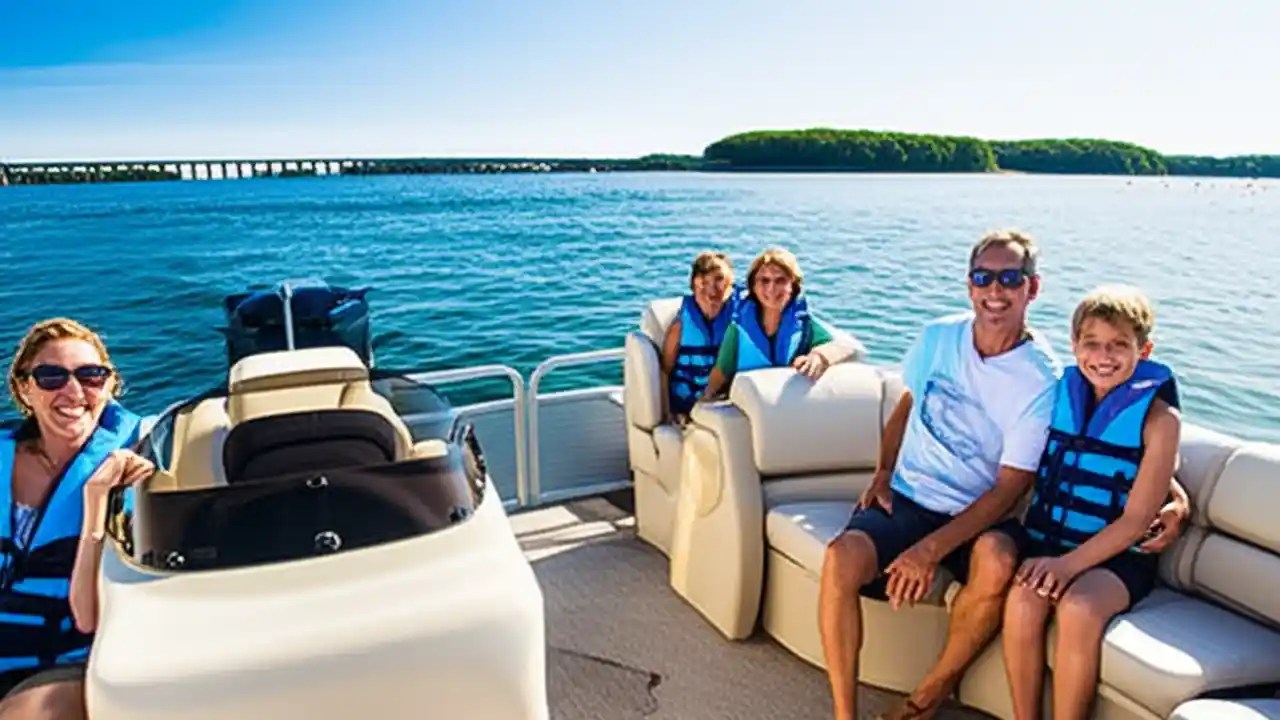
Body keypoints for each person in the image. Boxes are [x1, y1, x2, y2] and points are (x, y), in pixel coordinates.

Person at [816, 231, 1188, 720]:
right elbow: (908, 403)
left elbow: (1016, 484)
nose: (995, 290)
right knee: (842, 558)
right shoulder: (946, 342)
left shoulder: (1042, 378)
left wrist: (1175, 499)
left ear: (1032, 289)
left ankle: (928, 695)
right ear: (969, 285)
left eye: (1010, 278)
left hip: (986, 513)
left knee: (998, 559)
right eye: (983, 277)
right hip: (919, 501)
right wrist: (883, 472)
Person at [1001, 285, 1182, 720]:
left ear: (1145, 349)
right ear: (1075, 346)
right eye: (1092, 344)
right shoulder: (1057, 394)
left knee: (1079, 608)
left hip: (1118, 558)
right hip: (1049, 540)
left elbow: (1139, 517)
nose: (1104, 356)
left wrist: (1067, 566)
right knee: (1024, 600)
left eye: (1120, 345)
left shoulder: (1161, 420)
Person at [0, 318, 154, 719]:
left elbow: (88, 618)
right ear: (23, 388)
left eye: (91, 375)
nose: (73, 391)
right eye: (51, 376)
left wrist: (96, 499)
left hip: (61, 661)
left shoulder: (136, 463)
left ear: (110, 384)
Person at [699, 247, 860, 400]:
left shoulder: (805, 326)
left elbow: (846, 346)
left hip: (786, 410)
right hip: (748, 409)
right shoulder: (738, 328)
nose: (771, 288)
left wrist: (819, 356)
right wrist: (704, 399)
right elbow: (721, 371)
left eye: (780, 280)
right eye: (764, 281)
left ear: (793, 286)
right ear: (753, 287)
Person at [660, 251, 741, 423]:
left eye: (719, 280)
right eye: (704, 283)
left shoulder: (739, 319)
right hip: (687, 405)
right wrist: (667, 413)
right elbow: (665, 370)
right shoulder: (679, 325)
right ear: (694, 285)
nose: (712, 289)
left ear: (730, 285)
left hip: (724, 401)